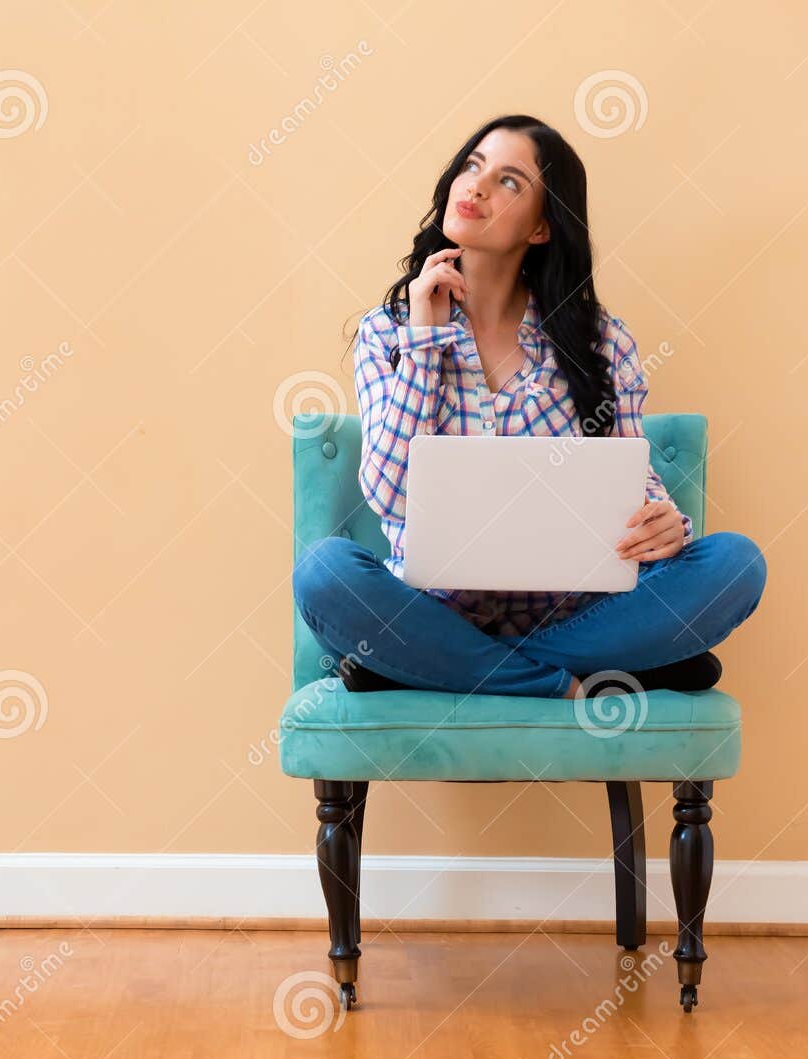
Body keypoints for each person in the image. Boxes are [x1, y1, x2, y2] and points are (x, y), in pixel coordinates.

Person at [291, 114, 766, 699]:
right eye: (472, 166)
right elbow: (391, 495)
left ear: (541, 228)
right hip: (431, 609)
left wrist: (666, 522)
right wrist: (423, 340)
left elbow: (629, 483)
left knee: (736, 563)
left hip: (574, 617)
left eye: (509, 181)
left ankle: (452, 668)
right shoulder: (387, 333)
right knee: (325, 574)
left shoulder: (601, 343)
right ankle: (574, 680)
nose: (477, 186)